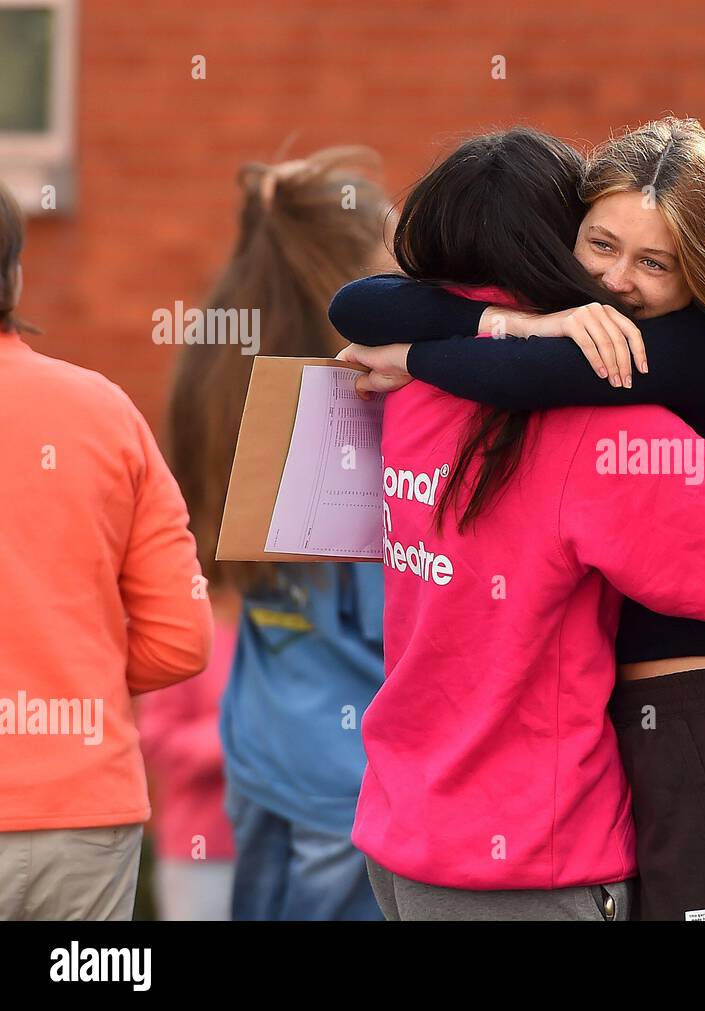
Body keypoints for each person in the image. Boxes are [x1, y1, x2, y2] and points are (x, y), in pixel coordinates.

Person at [331, 120, 705, 920]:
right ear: (559, 243)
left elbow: (375, 310)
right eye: (600, 246)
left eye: (655, 261)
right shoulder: (590, 416)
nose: (617, 281)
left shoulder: (444, 397)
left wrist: (415, 359)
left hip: (426, 817)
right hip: (539, 837)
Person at [167, 147, 392, 920]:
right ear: (351, 261)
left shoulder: (219, 369)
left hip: (263, 743)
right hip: (355, 769)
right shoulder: (363, 397)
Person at [0, 180, 213, 921]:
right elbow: (182, 640)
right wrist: (73, 669)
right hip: (84, 809)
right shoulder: (104, 411)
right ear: (16, 276)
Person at [135, 600, 239, 920]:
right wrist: (235, 737)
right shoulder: (195, 639)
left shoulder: (281, 633)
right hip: (201, 852)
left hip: (279, 848)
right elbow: (156, 739)